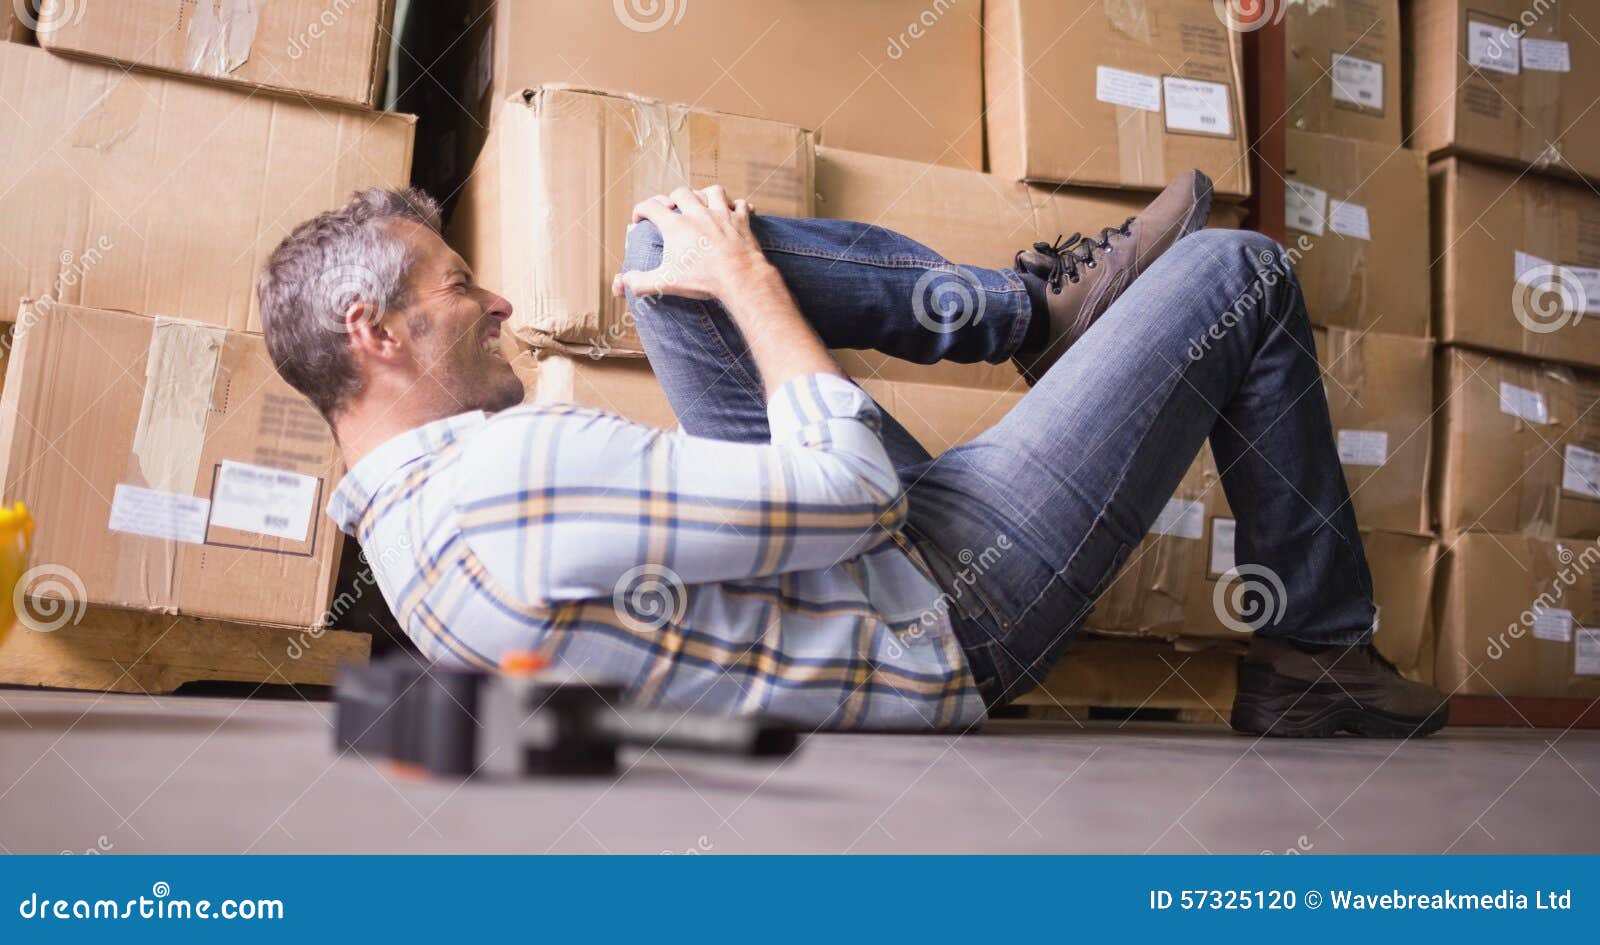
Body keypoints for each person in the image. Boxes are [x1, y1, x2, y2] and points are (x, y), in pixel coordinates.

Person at [257, 174, 1448, 738]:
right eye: (461, 288)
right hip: (943, 607)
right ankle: (1318, 657)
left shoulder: (408, 537)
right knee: (1237, 272)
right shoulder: (504, 481)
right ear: (376, 334)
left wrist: (722, 280)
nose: (501, 302)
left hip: (841, 572)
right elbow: (854, 495)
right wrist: (754, 283)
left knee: (657, 250)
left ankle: (1033, 317)